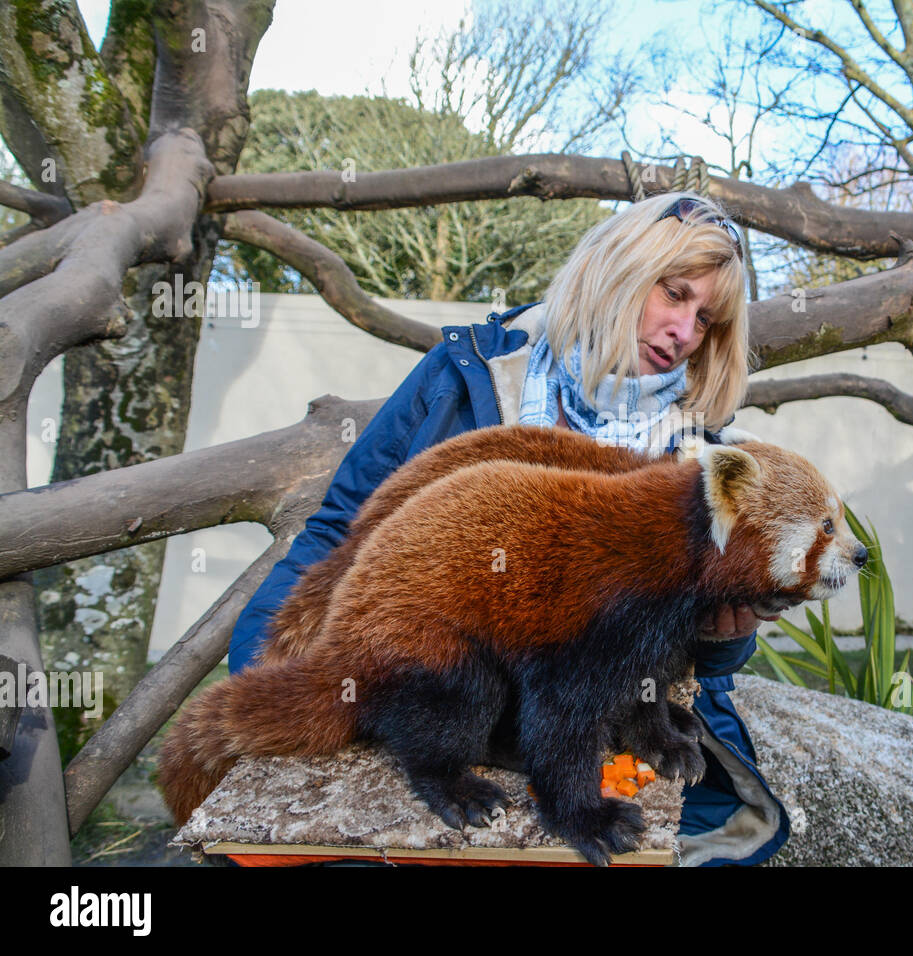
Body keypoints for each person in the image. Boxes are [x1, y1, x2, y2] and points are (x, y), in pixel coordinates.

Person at [227, 190, 790, 866]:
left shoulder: (705, 458)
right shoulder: (469, 376)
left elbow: (692, 654)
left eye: (707, 323)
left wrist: (729, 636)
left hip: (584, 727)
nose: (685, 332)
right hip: (452, 694)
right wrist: (267, 669)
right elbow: (340, 530)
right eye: (675, 295)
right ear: (616, 270)